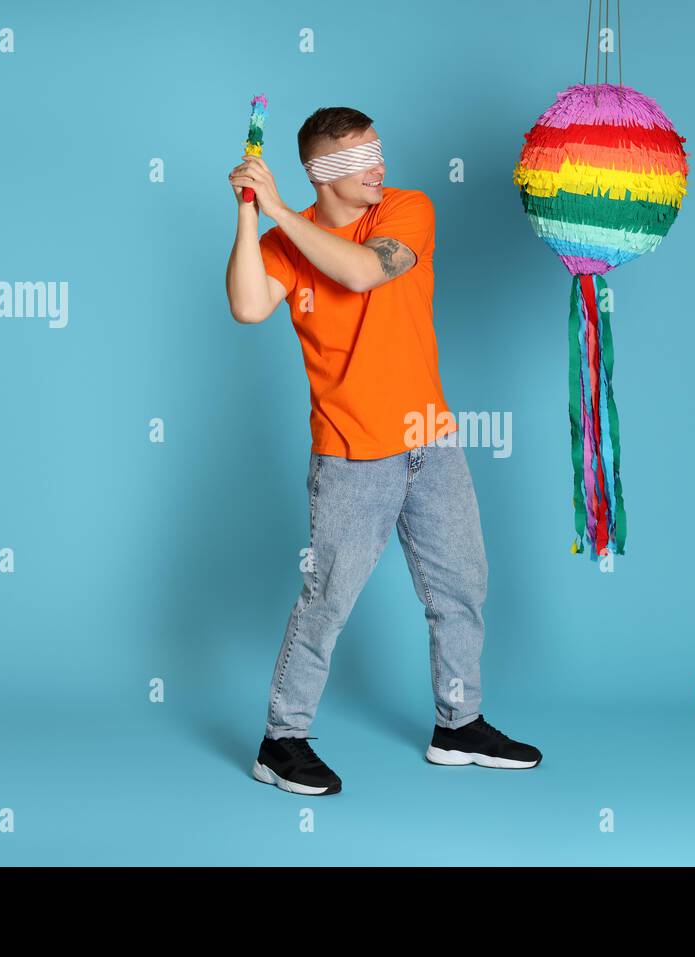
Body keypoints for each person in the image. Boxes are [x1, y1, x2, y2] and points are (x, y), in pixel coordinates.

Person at [225, 106, 542, 795]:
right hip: (349, 456)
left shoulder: (407, 210)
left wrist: (280, 208)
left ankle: (459, 723)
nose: (379, 168)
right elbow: (249, 307)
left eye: (377, 151)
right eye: (359, 159)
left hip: (431, 441)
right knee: (328, 600)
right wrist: (252, 213)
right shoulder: (286, 241)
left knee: (462, 585)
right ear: (322, 173)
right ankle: (281, 742)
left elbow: (367, 272)